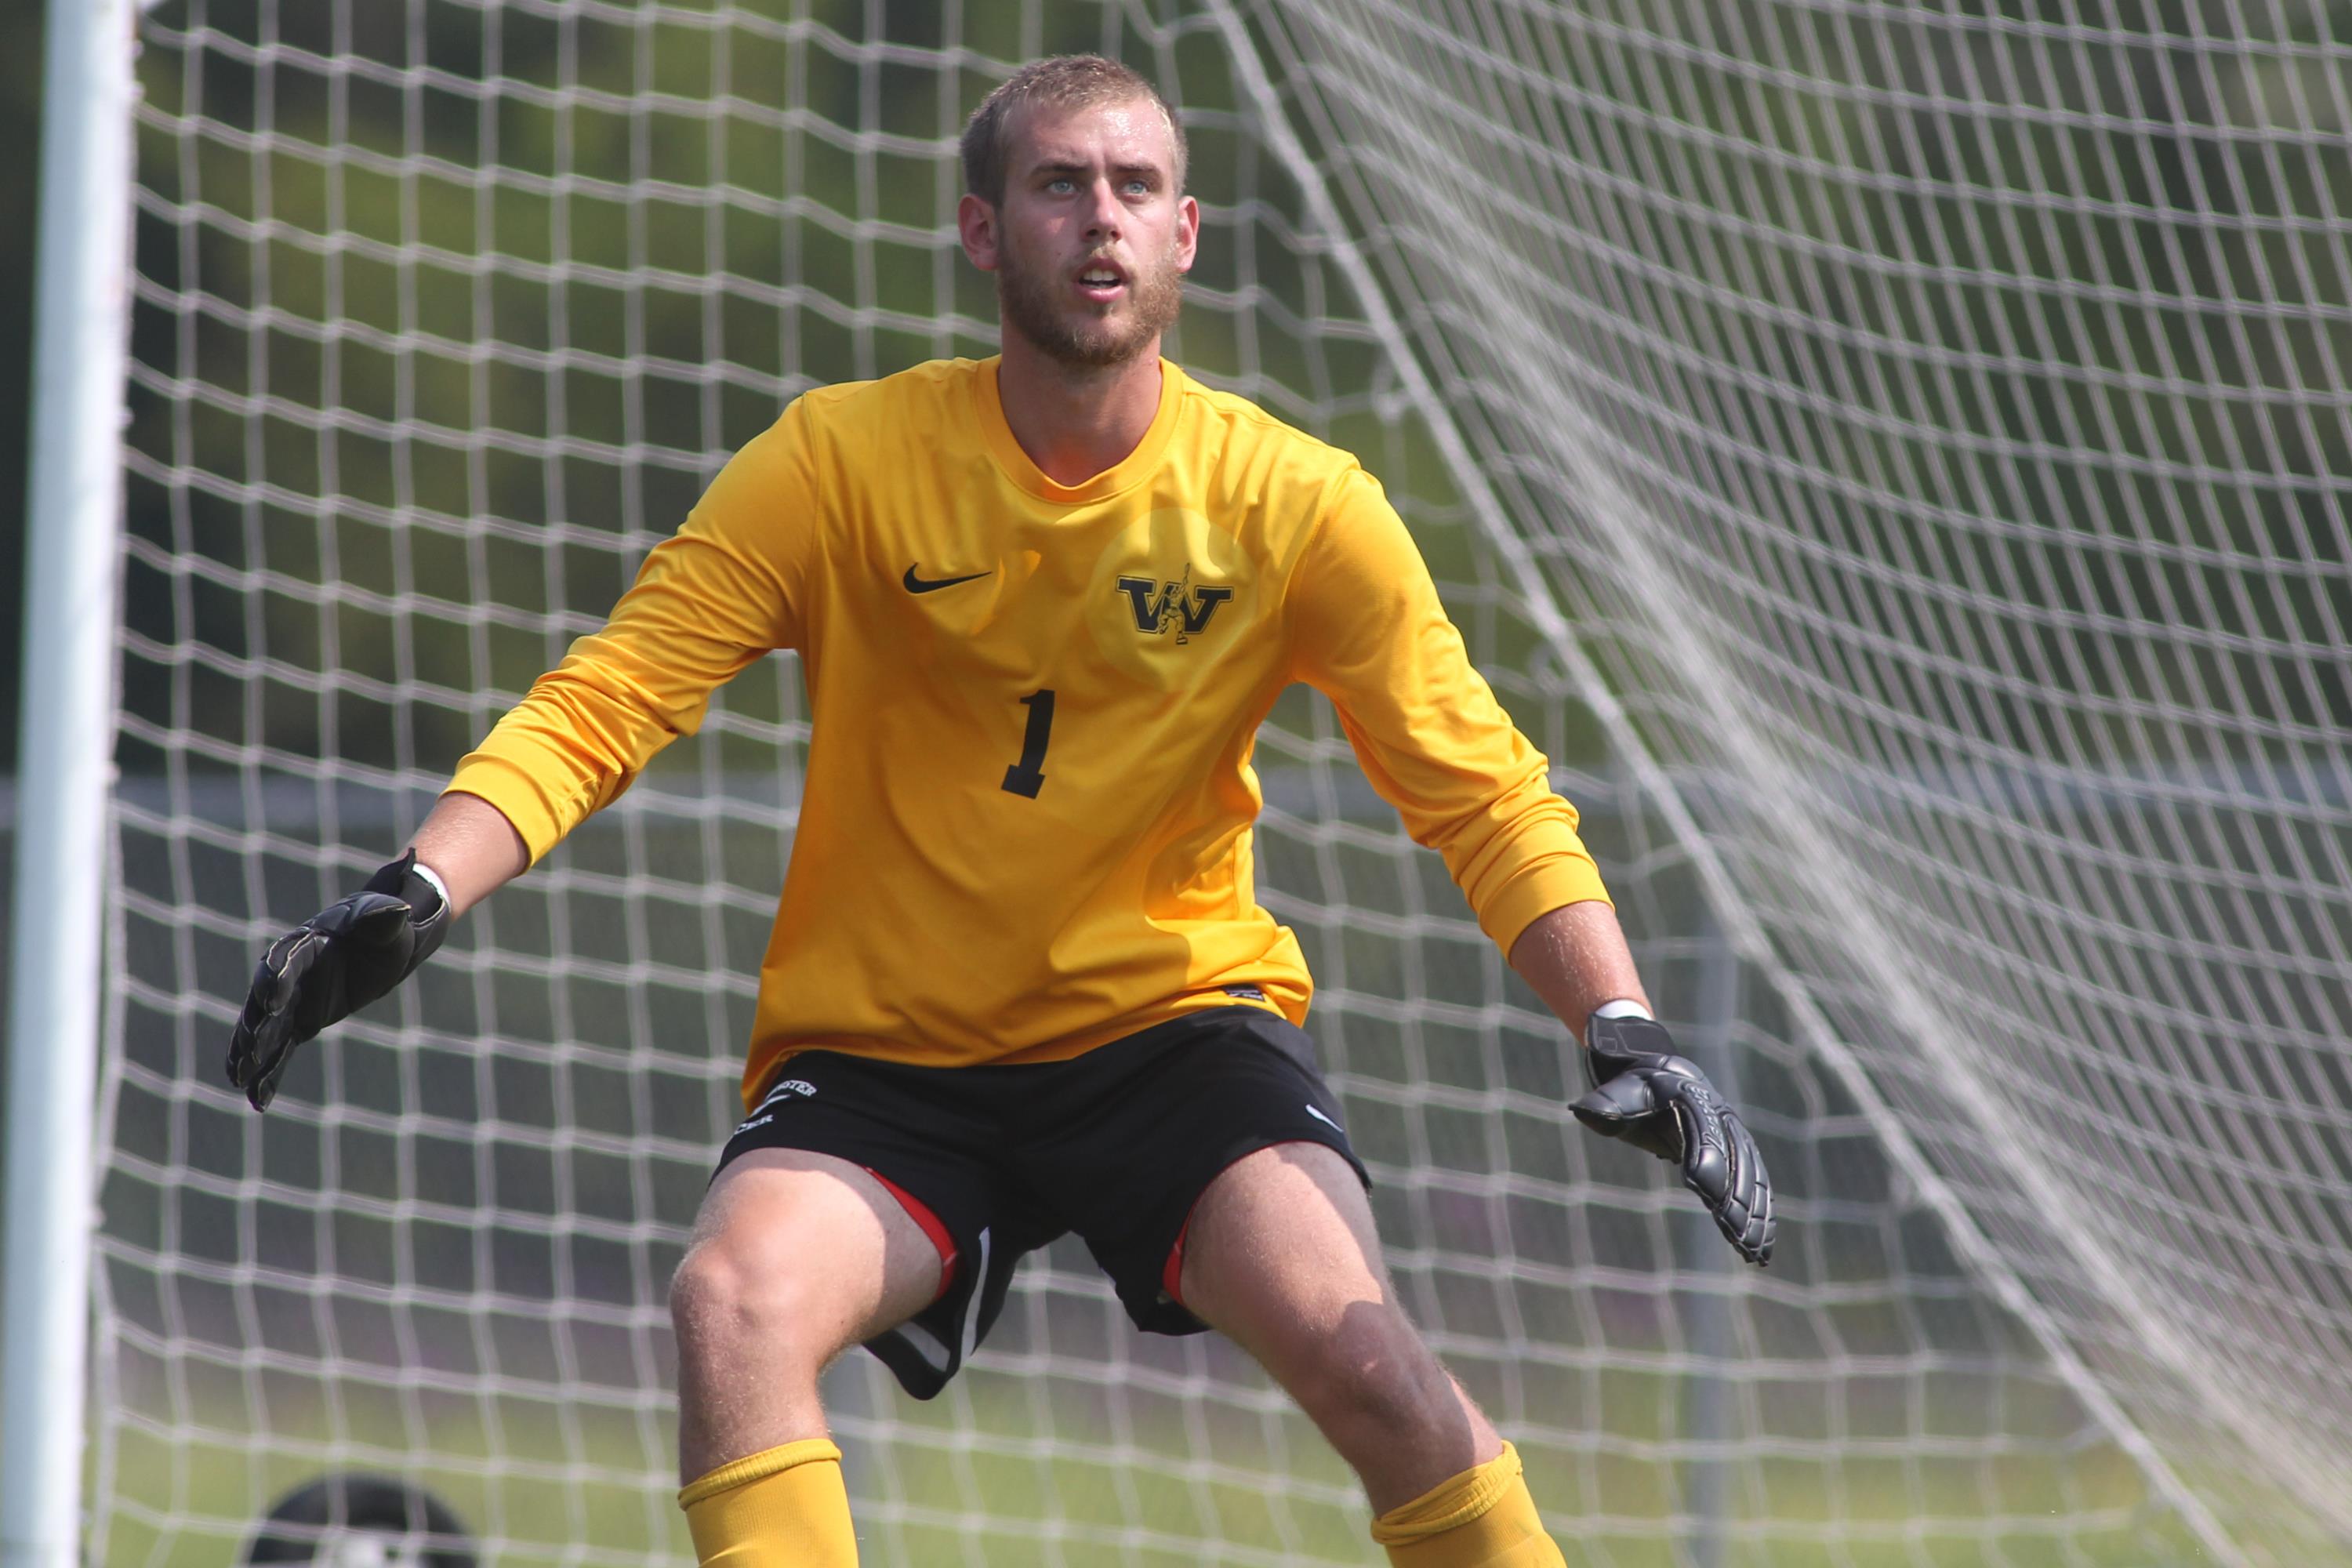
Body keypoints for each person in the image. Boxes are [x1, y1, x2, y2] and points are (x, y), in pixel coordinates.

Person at [227, 53, 1773, 1568]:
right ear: (982, 229)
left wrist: (1621, 1020)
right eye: (1058, 184)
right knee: (731, 1302)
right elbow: (610, 698)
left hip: (1174, 1033)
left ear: (1184, 233)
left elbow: (1484, 794)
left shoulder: (1298, 504)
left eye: (1136, 186)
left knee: (1369, 1358)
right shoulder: (838, 462)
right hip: (894, 1057)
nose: (1101, 216)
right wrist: (423, 885)